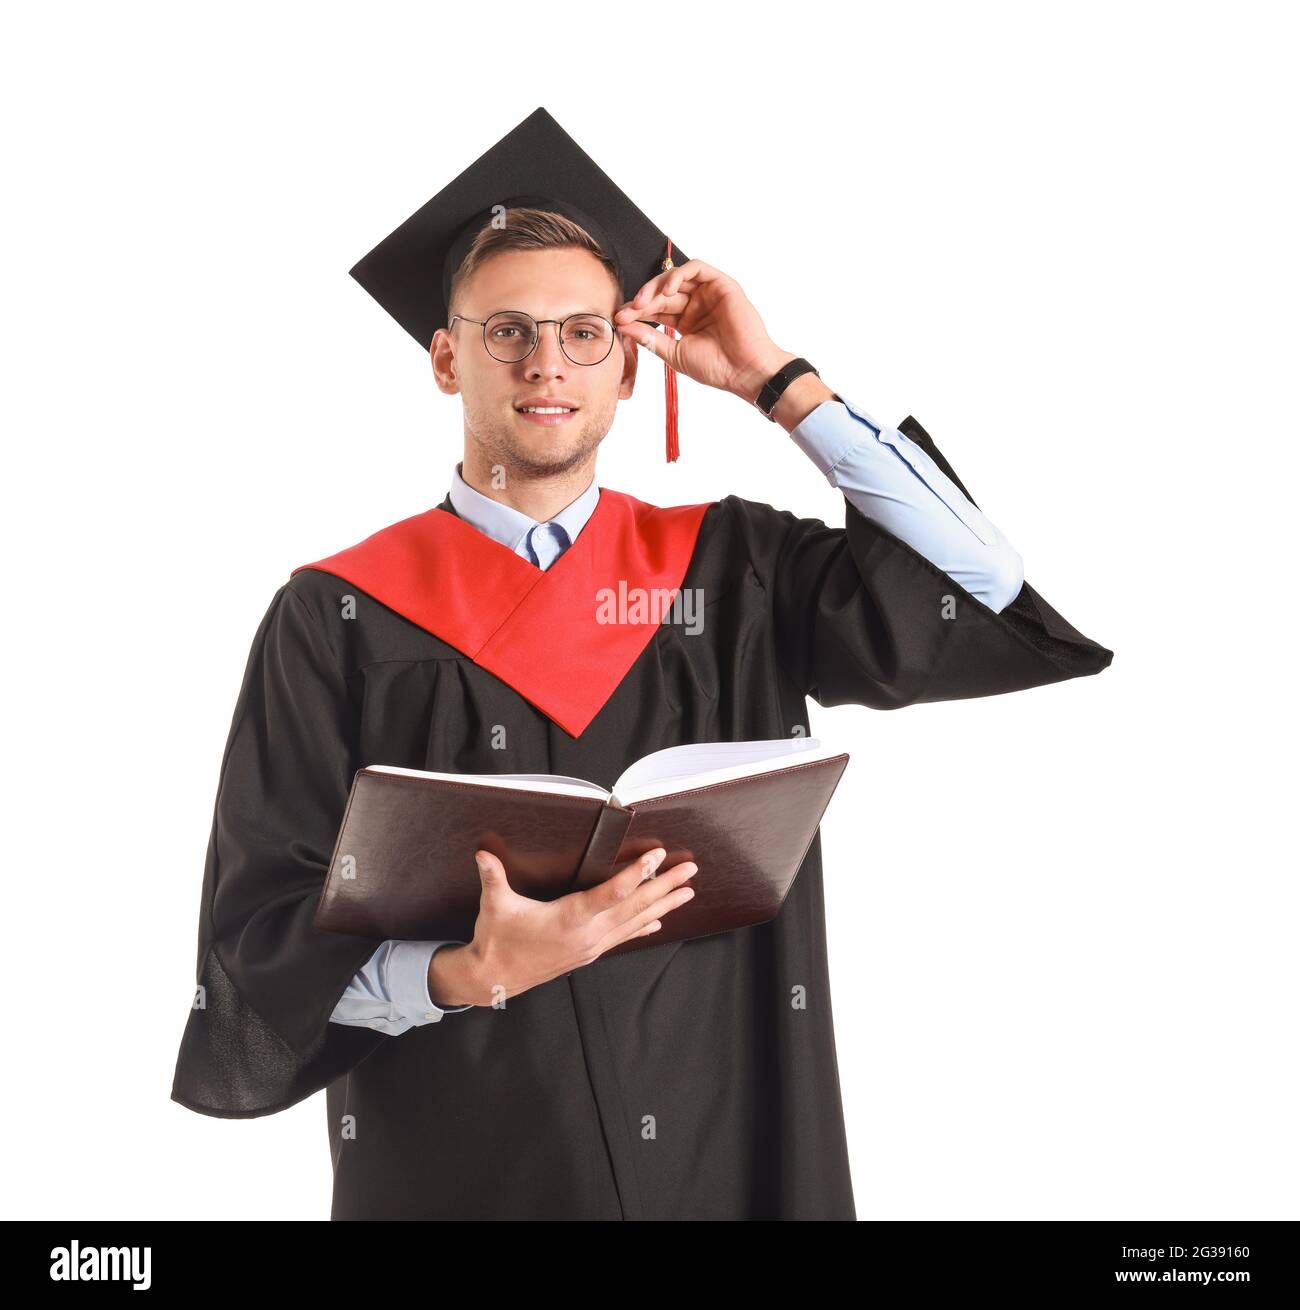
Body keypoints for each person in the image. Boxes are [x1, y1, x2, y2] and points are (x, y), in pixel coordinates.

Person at [171, 108, 1112, 1220]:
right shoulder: (333, 615)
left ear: (628, 365)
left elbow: (984, 581)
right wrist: (464, 971)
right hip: (466, 1170)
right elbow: (254, 940)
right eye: (506, 331)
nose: (547, 364)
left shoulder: (736, 569)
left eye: (583, 332)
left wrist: (775, 378)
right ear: (443, 356)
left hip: (729, 1148)